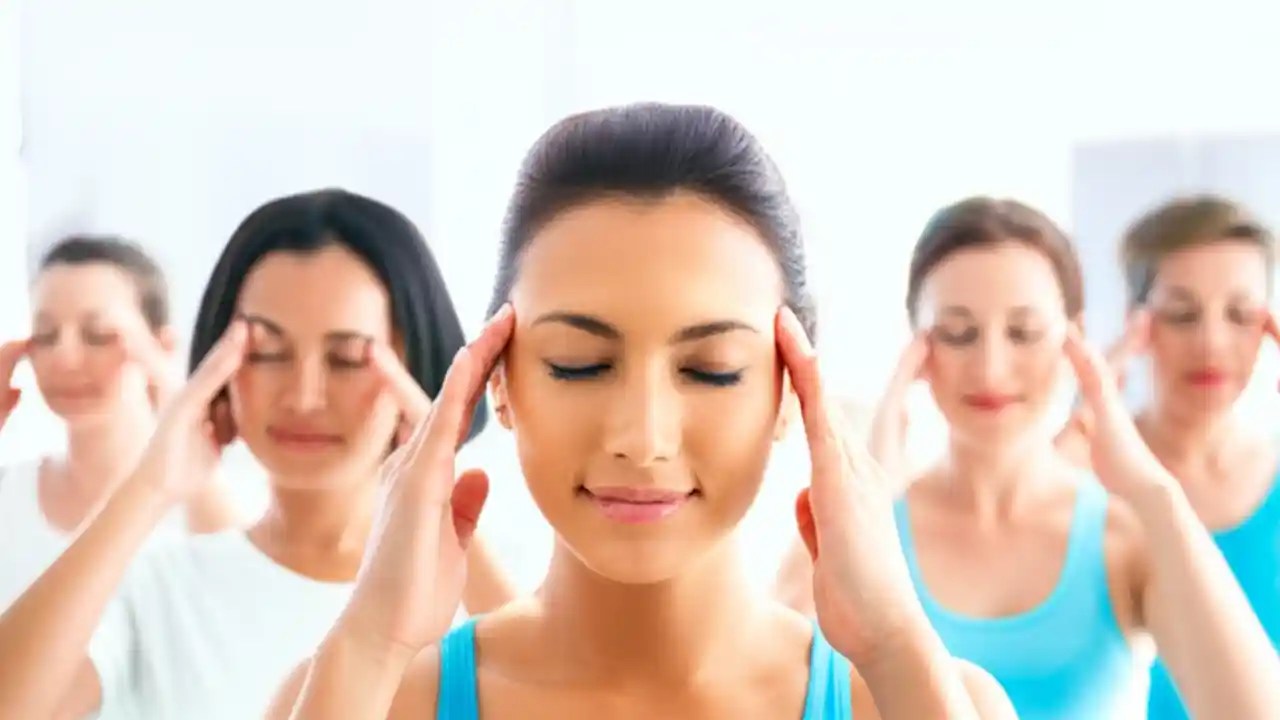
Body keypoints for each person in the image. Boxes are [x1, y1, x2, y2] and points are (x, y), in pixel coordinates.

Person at [269, 103, 1016, 720]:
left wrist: (894, 645)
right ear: (497, 381)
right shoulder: (364, 697)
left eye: (711, 370)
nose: (643, 437)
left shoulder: (928, 699)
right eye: (579, 364)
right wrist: (371, 641)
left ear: (791, 390)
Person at [0, 190, 517, 719]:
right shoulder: (157, 586)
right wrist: (150, 486)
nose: (304, 397)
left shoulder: (483, 588)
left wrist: (438, 493)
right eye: (268, 353)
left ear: (414, 367)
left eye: (346, 358)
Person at [777, 197, 1280, 719]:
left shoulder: (1123, 537)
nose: (991, 368)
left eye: (1023, 332)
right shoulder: (872, 533)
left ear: (1072, 340)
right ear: (918, 348)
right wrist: (863, 492)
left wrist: (1153, 491)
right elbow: (758, 687)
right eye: (958, 333)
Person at [1057, 195, 1280, 719]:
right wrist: (1083, 414)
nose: (1212, 342)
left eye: (1240, 314)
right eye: (1182, 314)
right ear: (1138, 325)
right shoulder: (1086, 473)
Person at [0, 235, 239, 610]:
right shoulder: (9, 493)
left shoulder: (205, 506)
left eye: (98, 335)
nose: (65, 358)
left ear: (162, 348)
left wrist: (187, 420)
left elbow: (246, 601)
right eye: (45, 335)